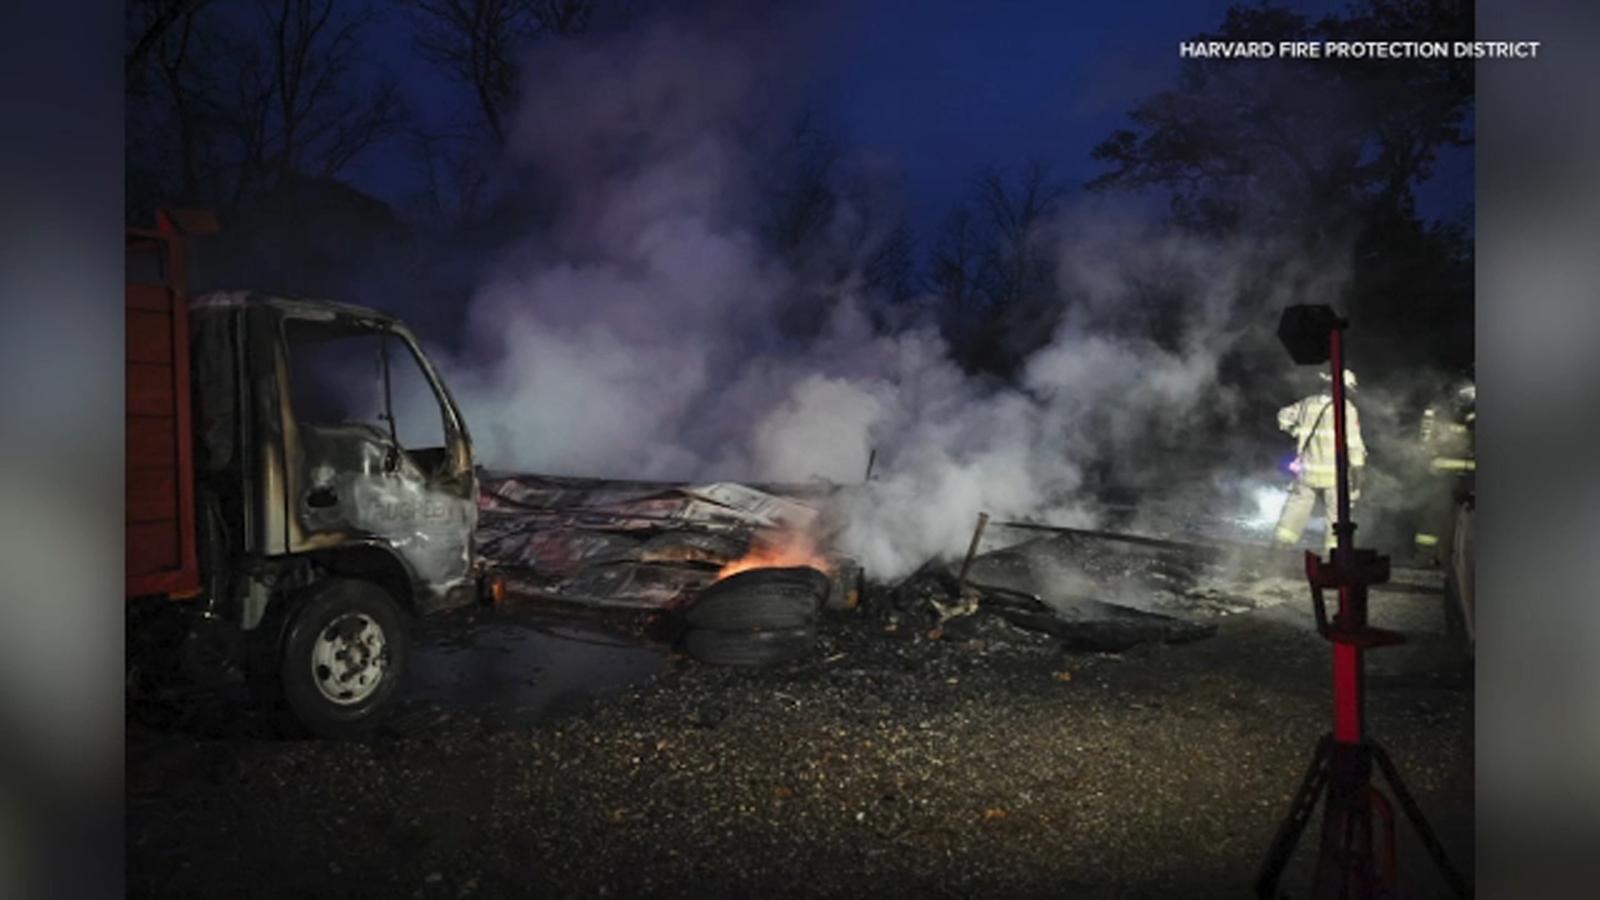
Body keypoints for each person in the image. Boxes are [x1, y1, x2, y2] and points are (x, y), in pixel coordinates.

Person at [1273, 369, 1366, 551]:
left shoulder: (1308, 403)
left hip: (1307, 472)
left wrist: (1296, 432)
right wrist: (1358, 469)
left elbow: (1283, 416)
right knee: (1337, 516)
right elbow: (1354, 443)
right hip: (1335, 475)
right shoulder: (1347, 409)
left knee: (1296, 509)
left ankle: (1279, 549)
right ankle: (1335, 555)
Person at [1413, 377, 1475, 564]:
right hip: (1456, 474)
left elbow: (1425, 443)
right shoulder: (1464, 416)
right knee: (1446, 517)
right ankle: (1434, 555)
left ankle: (1427, 555)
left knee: (1436, 516)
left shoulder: (1435, 412)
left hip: (1438, 472)